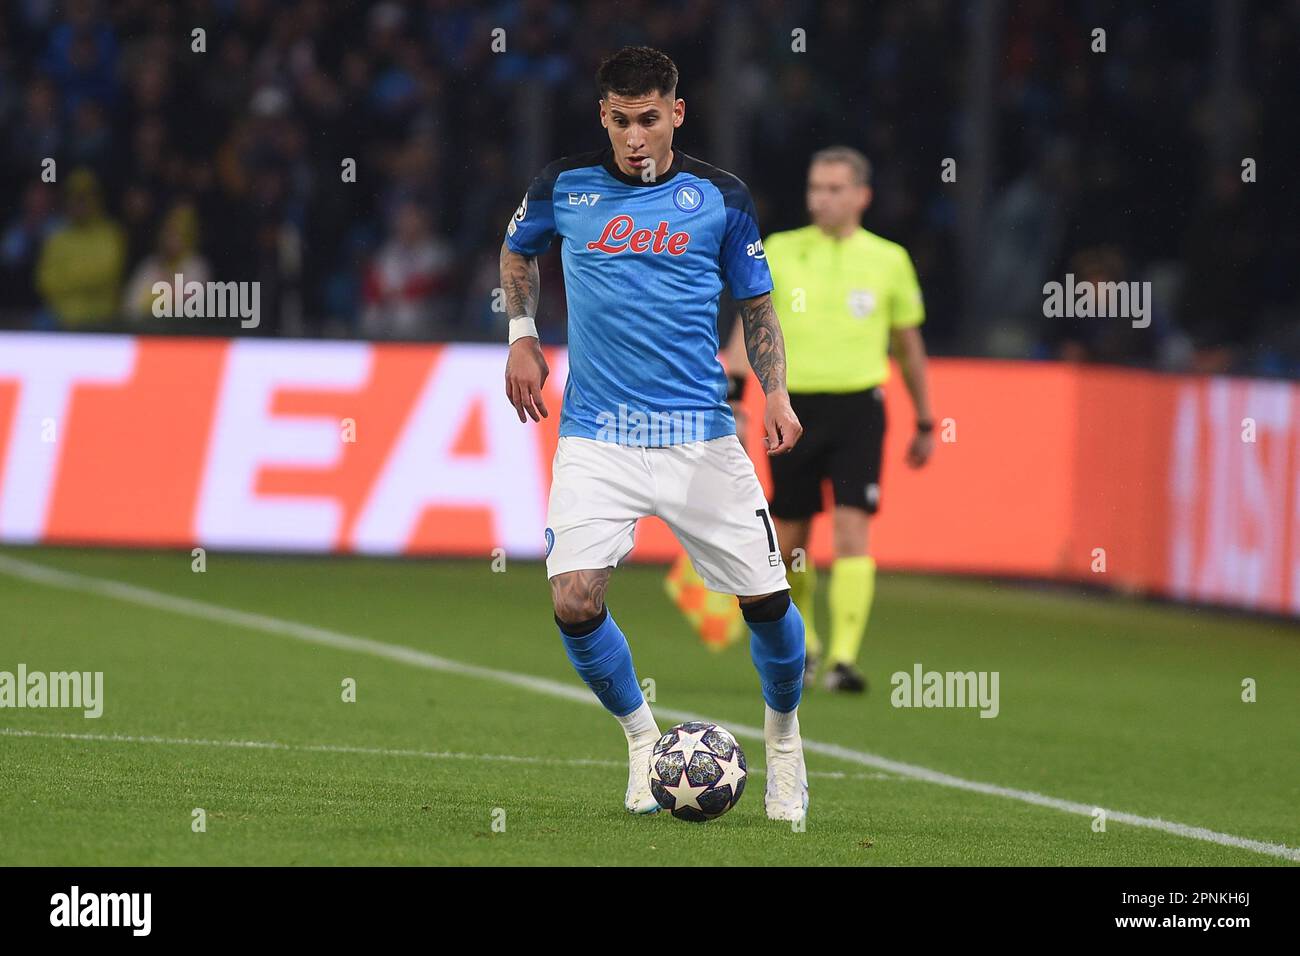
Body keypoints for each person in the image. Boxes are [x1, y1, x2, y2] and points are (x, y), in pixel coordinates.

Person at [500, 46, 809, 822]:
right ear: (603, 117)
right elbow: (518, 247)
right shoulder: (563, 188)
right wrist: (521, 332)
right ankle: (642, 743)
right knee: (573, 599)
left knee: (767, 601)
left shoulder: (720, 197)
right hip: (598, 437)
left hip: (700, 436)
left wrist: (775, 392)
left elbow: (758, 306)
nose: (634, 137)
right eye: (619, 121)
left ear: (676, 113)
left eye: (648, 119)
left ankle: (785, 745)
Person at [761, 147, 935, 693]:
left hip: (860, 405)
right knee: (790, 533)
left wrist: (927, 419)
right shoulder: (780, 249)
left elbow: (908, 347)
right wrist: (744, 386)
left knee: (852, 524)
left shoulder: (889, 259)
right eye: (816, 187)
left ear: (863, 195)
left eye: (836, 188)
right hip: (792, 406)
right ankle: (807, 640)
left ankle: (842, 657)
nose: (823, 198)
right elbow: (756, 325)